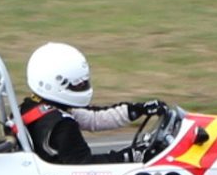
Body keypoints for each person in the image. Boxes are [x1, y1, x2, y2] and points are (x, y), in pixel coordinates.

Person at [19, 42, 165, 164]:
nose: (82, 87)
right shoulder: (63, 126)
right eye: (77, 84)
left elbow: (93, 118)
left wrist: (137, 110)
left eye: (84, 82)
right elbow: (87, 168)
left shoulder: (31, 108)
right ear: (52, 83)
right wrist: (130, 156)